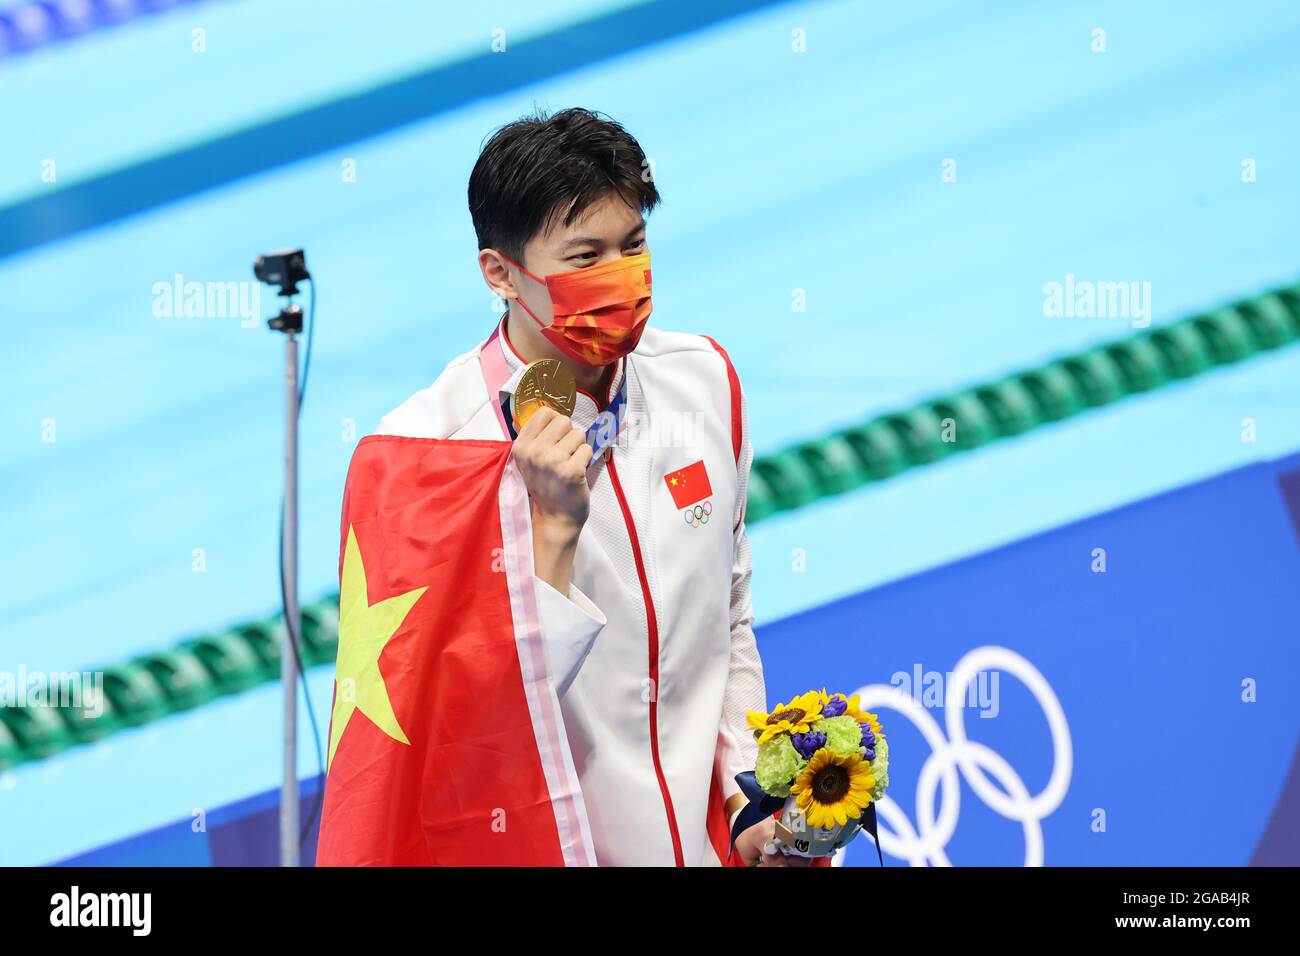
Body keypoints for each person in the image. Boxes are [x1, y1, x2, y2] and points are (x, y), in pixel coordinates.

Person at [375, 107, 810, 866]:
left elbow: (729, 620)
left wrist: (750, 801)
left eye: (633, 245)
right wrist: (554, 533)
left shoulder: (702, 381)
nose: (619, 277)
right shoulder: (433, 454)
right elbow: (464, 734)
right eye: (584, 258)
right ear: (500, 273)